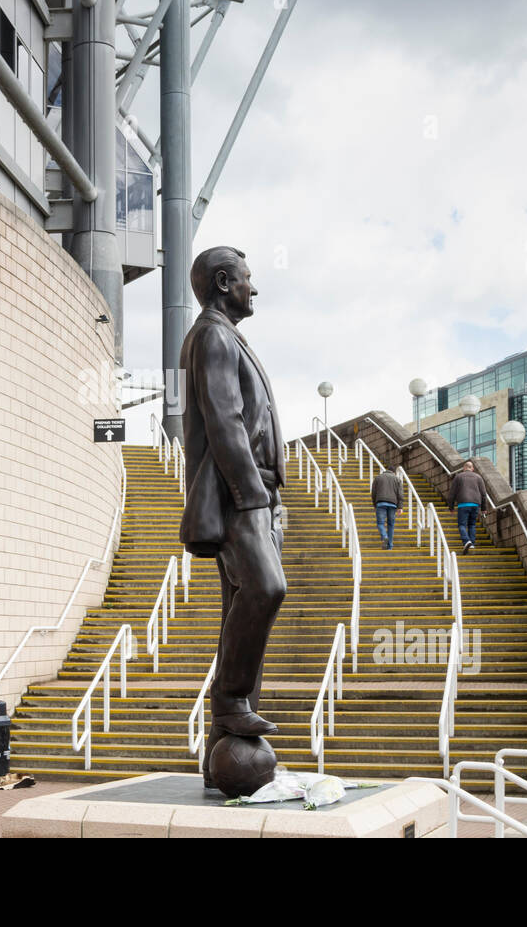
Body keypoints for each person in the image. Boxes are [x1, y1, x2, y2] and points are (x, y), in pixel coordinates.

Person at [178, 245, 287, 790]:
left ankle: (220, 745)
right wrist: (253, 498)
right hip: (239, 494)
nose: (254, 286)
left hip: (252, 493)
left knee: (240, 612)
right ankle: (228, 696)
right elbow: (225, 422)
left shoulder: (223, 334)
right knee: (266, 589)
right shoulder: (214, 335)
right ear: (224, 282)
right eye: (247, 278)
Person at [447, 459, 487, 554]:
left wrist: (451, 507)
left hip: (463, 504)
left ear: (464, 468)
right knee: (472, 524)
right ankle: (472, 544)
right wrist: (484, 508)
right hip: (475, 504)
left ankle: (466, 541)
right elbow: (484, 494)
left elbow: (452, 493)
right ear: (472, 468)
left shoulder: (458, 477)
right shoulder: (478, 477)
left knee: (462, 525)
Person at [371, 465, 404, 549]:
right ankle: (390, 546)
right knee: (391, 525)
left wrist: (374, 504)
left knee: (380, 523)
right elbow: (400, 494)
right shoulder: (397, 479)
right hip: (393, 504)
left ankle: (384, 536)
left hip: (381, 503)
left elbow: (373, 492)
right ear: (394, 472)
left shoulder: (378, 478)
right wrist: (400, 507)